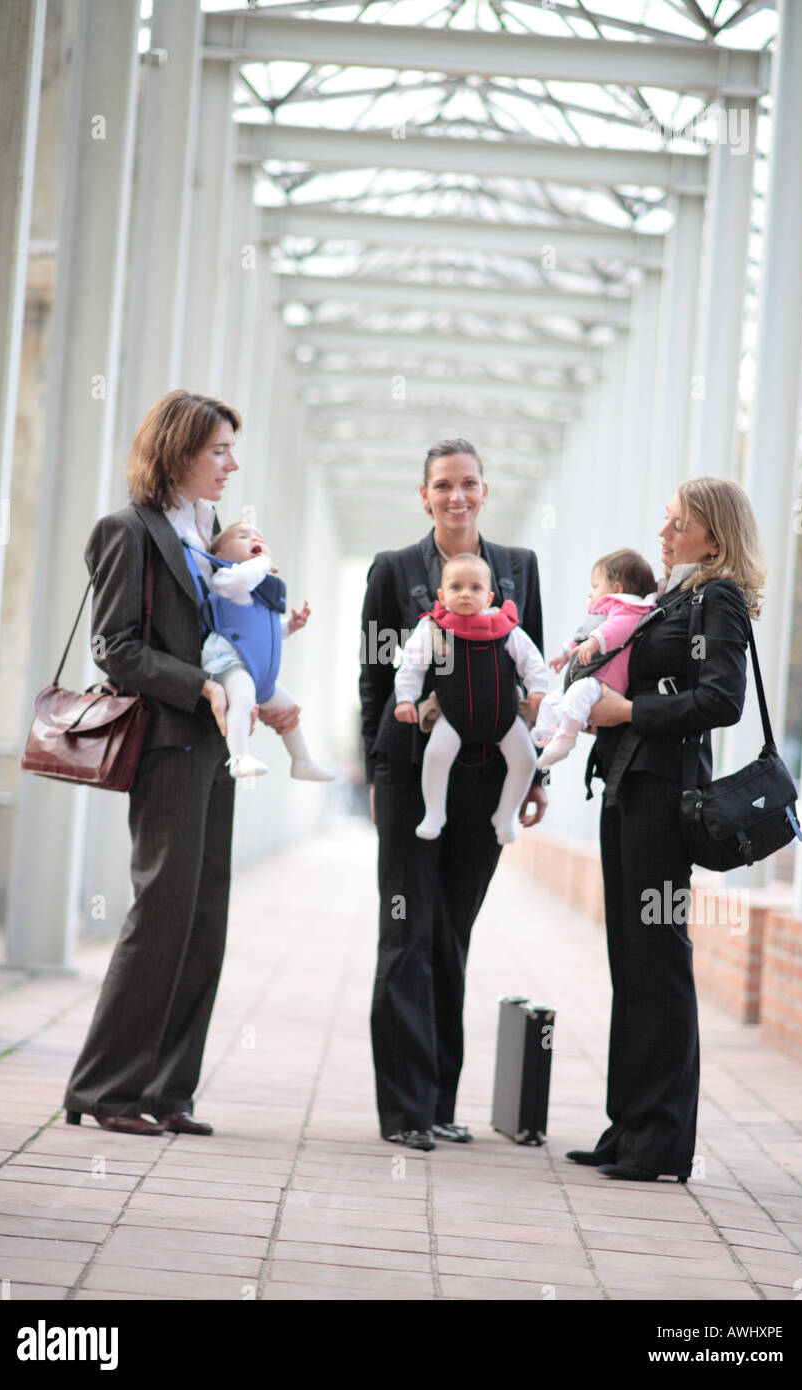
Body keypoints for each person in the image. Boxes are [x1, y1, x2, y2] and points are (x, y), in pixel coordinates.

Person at [63, 389, 299, 1136]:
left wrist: (272, 640)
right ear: (178, 452)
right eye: (218, 450)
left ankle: (167, 1090)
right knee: (160, 908)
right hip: (169, 740)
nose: (232, 463)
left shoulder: (211, 532)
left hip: (216, 746)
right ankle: (105, 1090)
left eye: (232, 448)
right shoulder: (128, 529)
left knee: (203, 915)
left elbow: (220, 628)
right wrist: (200, 686)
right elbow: (116, 649)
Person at [568, 477, 766, 1182]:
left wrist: (629, 714)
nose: (663, 533)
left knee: (658, 964)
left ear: (714, 536)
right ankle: (628, 1128)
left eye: (678, 524)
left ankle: (660, 1142)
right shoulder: (671, 597)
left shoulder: (718, 597)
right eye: (666, 520)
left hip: (662, 797)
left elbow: (722, 700)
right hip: (626, 790)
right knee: (632, 961)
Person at [360, 439, 548, 1152]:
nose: (456, 495)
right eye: (443, 485)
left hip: (490, 778)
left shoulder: (520, 569)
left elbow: (534, 683)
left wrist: (540, 778)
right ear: (425, 494)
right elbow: (375, 679)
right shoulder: (393, 572)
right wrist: (376, 775)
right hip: (413, 775)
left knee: (451, 937)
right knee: (407, 933)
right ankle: (405, 1111)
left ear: (484, 490)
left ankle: (438, 1102)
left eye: (468, 483)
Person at [394, 552, 547, 843]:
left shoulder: (506, 629)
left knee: (526, 759)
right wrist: (405, 699)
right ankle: (434, 813)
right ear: (441, 594)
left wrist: (538, 688)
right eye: (456, 587)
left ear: (489, 597)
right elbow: (411, 666)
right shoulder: (433, 628)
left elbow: (532, 661)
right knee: (436, 755)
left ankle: (505, 815)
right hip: (453, 716)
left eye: (475, 588)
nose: (465, 594)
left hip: (504, 716)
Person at [191, 518, 333, 782]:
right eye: (243, 537)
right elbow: (240, 581)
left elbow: (260, 631)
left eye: (259, 538)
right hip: (229, 664)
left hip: (258, 673)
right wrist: (263, 562)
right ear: (220, 556)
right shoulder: (227, 579)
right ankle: (239, 756)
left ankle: (302, 761)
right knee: (242, 699)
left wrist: (290, 626)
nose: (255, 540)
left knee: (288, 708)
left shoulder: (256, 595)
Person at [534, 549, 655, 769]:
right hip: (587, 677)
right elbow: (581, 636)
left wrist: (594, 641)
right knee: (551, 701)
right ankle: (547, 734)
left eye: (595, 586)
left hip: (604, 681)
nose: (591, 593)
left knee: (576, 697)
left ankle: (566, 738)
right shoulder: (604, 611)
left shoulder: (628, 609)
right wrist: (564, 654)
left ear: (617, 589)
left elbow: (617, 628)